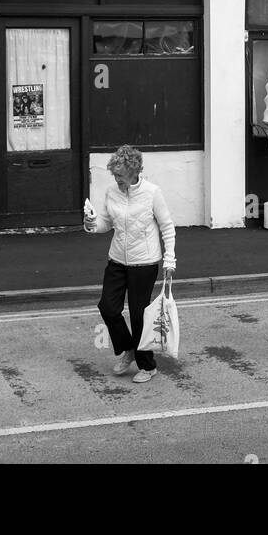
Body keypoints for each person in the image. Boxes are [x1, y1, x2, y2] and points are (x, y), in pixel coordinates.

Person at [87, 145, 177, 384]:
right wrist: (93, 224)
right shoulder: (111, 192)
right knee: (107, 307)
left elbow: (167, 227)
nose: (116, 180)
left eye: (120, 175)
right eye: (114, 175)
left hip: (145, 263)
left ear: (134, 171)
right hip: (117, 259)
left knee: (139, 315)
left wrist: (170, 260)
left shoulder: (152, 192)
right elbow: (107, 223)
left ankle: (147, 366)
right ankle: (129, 348)